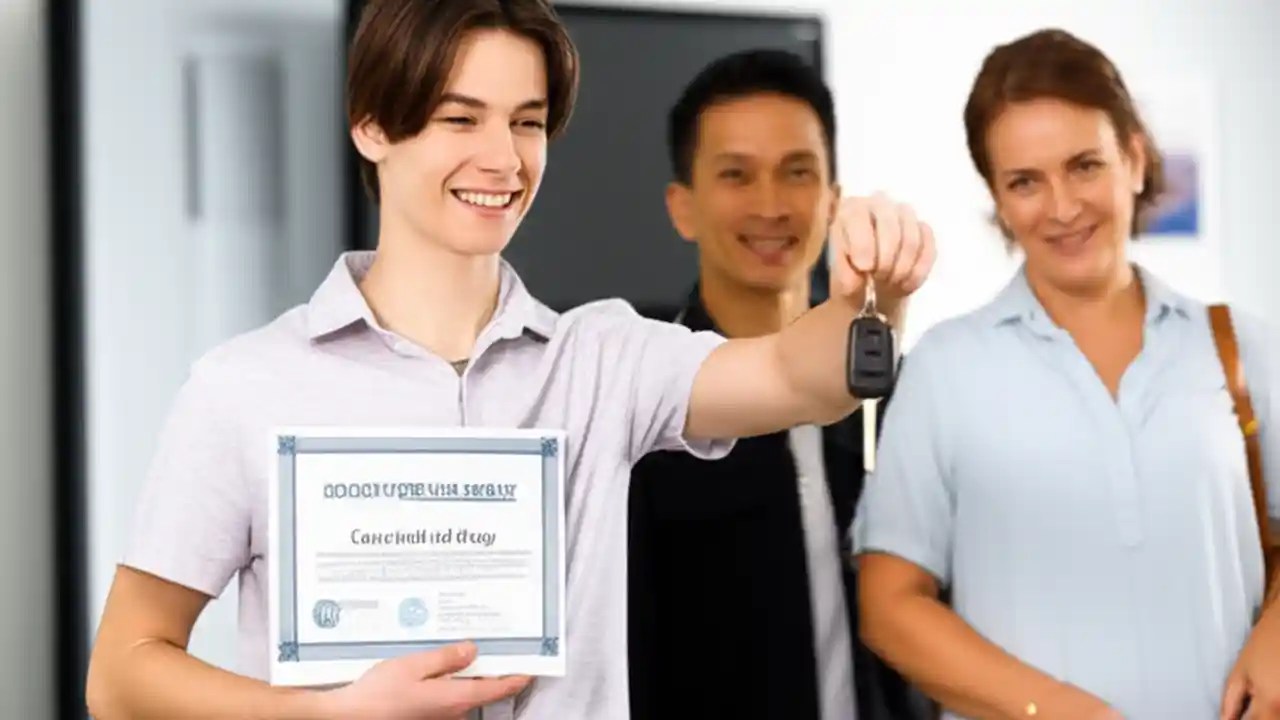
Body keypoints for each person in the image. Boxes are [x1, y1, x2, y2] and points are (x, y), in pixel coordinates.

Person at [83, 1, 937, 719]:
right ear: (373, 125)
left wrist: (877, 290)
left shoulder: (603, 362)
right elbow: (121, 672)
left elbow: (800, 377)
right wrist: (327, 713)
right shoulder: (244, 387)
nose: (502, 159)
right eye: (461, 119)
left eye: (526, 123)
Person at [852, 28, 1279, 720]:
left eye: (1084, 166)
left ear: (1133, 158)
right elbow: (889, 605)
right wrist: (1052, 708)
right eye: (1025, 181)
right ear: (997, 197)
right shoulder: (944, 369)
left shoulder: (1243, 349)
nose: (1062, 207)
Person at [626, 49, 931, 720]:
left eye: (797, 172)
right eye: (736, 174)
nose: (770, 205)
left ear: (832, 200)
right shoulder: (642, 402)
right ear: (683, 207)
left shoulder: (900, 395)